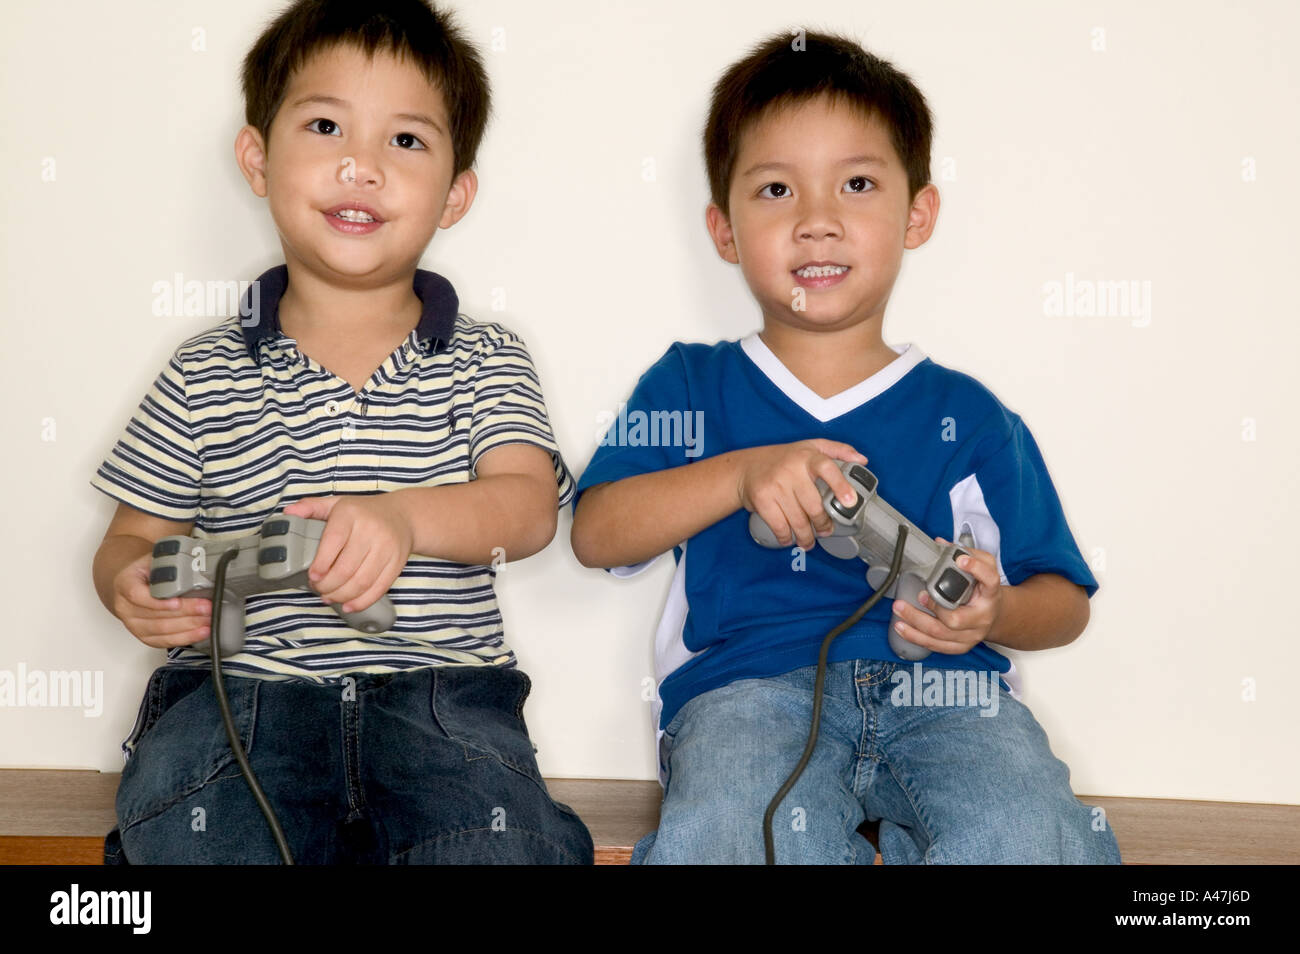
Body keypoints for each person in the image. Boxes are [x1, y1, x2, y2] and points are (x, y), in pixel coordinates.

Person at [569, 30, 1121, 865]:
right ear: (723, 229)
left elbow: (1065, 601)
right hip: (745, 693)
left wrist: (994, 612)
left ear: (918, 214)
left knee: (1027, 837)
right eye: (776, 189)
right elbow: (596, 533)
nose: (817, 222)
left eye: (857, 184)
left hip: (952, 695)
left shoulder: (969, 415)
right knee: (728, 839)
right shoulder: (689, 384)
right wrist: (741, 474)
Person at [89, 0, 592, 865]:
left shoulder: (487, 358)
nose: (361, 166)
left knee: (499, 849)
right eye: (326, 126)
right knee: (199, 840)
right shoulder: (202, 370)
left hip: (442, 700)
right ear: (256, 157)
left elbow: (525, 509)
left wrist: (400, 520)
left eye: (405, 141)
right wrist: (128, 585)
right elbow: (133, 538)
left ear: (456, 193)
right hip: (239, 700)